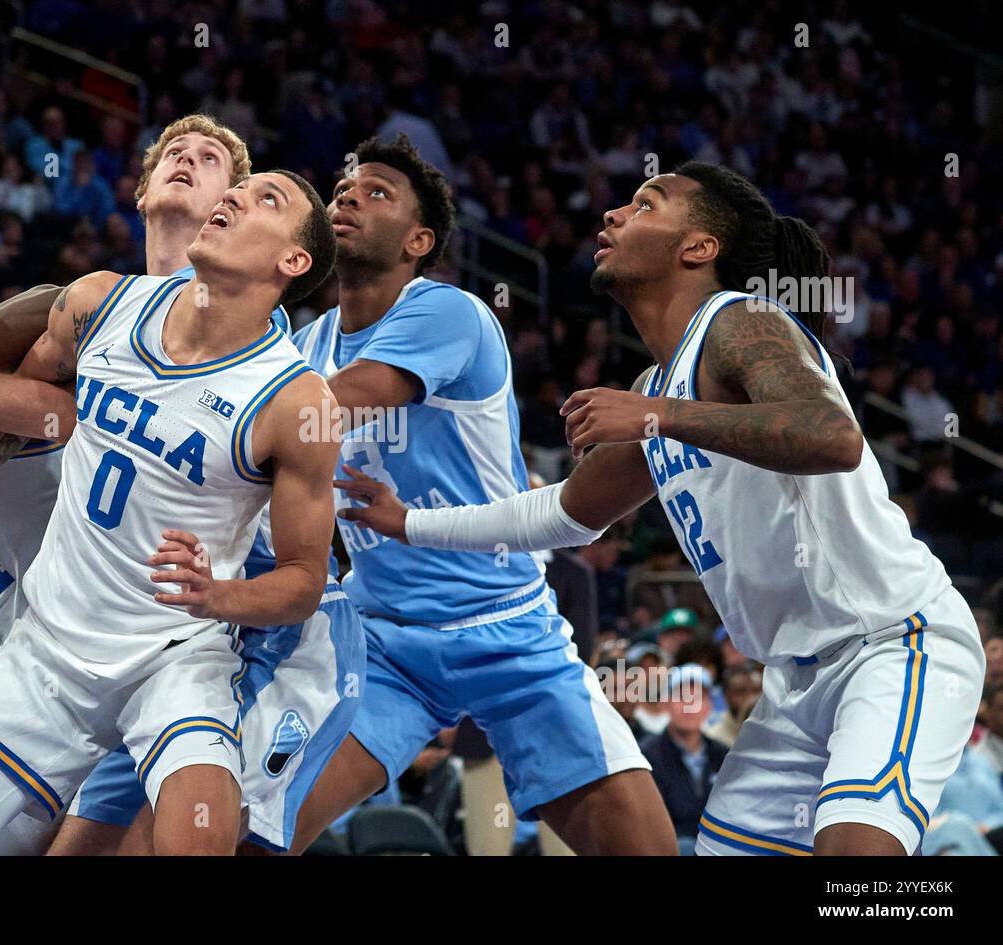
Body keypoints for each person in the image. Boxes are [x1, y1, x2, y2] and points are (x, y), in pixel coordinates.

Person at [336, 162, 986, 856]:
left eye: (646, 204)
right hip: (792, 686)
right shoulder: (659, 384)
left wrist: (659, 414)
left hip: (894, 643)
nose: (613, 215)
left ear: (698, 248)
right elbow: (560, 514)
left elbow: (834, 436)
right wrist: (410, 522)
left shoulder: (743, 321)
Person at [0, 115, 363, 857]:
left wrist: (218, 596)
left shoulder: (296, 401)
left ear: (295, 259)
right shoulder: (96, 301)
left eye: (258, 194)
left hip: (194, 652)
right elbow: (7, 395)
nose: (232, 194)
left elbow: (305, 576)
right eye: (230, 186)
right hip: (49, 647)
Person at [285, 135, 674, 855]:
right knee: (260, 828)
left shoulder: (449, 312)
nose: (347, 195)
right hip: (383, 642)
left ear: (418, 239)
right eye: (344, 186)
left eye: (376, 192)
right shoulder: (306, 349)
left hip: (503, 626)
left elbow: (343, 403)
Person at [641, 664, 729, 851]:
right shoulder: (647, 755)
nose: (690, 705)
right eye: (682, 697)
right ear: (665, 704)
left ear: (709, 707)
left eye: (698, 697)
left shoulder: (724, 755)